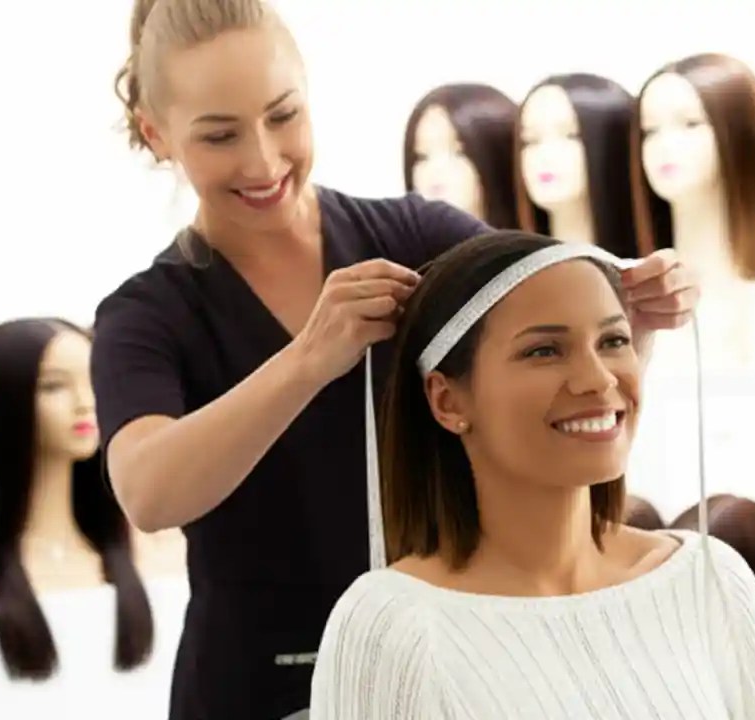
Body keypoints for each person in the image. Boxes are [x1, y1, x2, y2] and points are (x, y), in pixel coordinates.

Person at [95, 1, 700, 717]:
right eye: (220, 135)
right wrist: (309, 359)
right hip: (260, 687)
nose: (263, 159)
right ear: (156, 134)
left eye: (284, 115)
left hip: (448, 666)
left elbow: (558, 345)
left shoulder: (417, 234)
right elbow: (148, 492)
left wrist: (637, 309)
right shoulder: (147, 314)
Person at [309, 232, 755, 719]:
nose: (599, 379)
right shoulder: (392, 623)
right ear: (447, 400)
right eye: (544, 351)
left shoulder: (708, 576)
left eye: (613, 341)